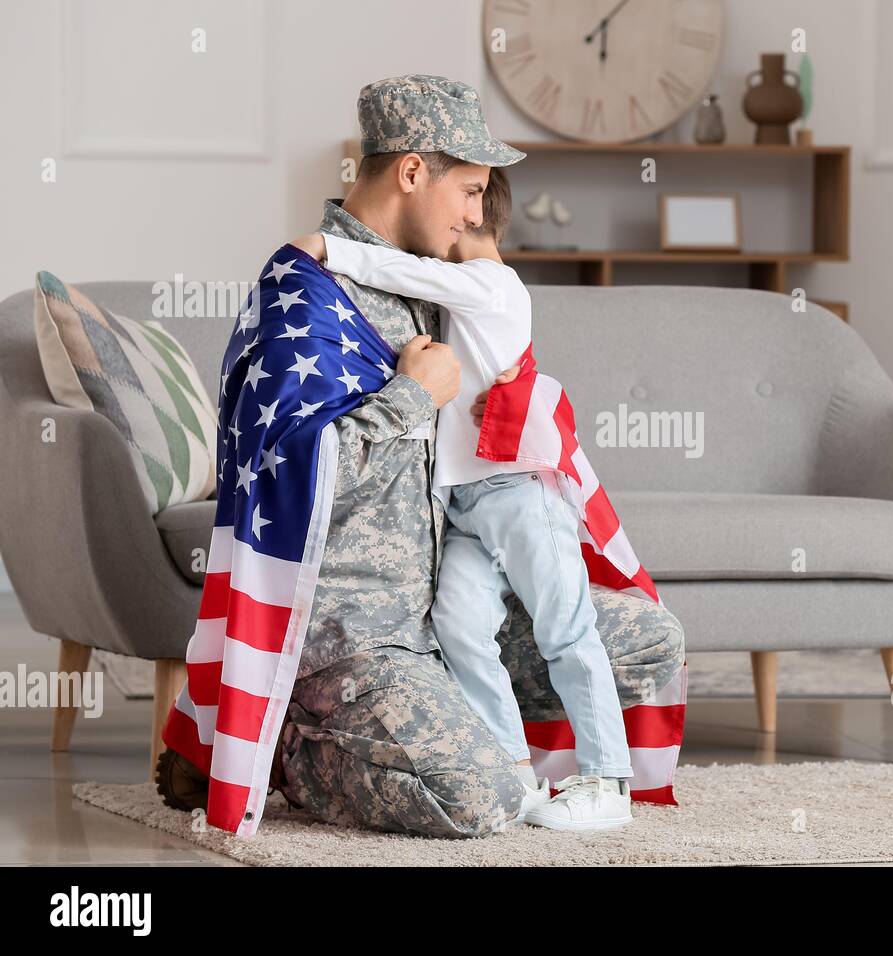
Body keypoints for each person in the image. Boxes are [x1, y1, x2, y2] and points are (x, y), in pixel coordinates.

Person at [155, 75, 685, 838]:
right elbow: (285, 478)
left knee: (648, 640)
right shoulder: (303, 295)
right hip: (352, 640)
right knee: (483, 798)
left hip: (447, 611)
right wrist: (413, 397)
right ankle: (279, 745)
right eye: (470, 190)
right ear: (412, 172)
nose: (480, 213)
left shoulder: (438, 281)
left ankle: (460, 720)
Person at [290, 166, 637, 830]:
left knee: (566, 629)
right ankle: (513, 769)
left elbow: (418, 276)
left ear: (474, 216)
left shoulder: (492, 285)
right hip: (467, 506)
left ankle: (609, 782)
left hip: (519, 494)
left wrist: (331, 248)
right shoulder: (463, 304)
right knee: (458, 626)